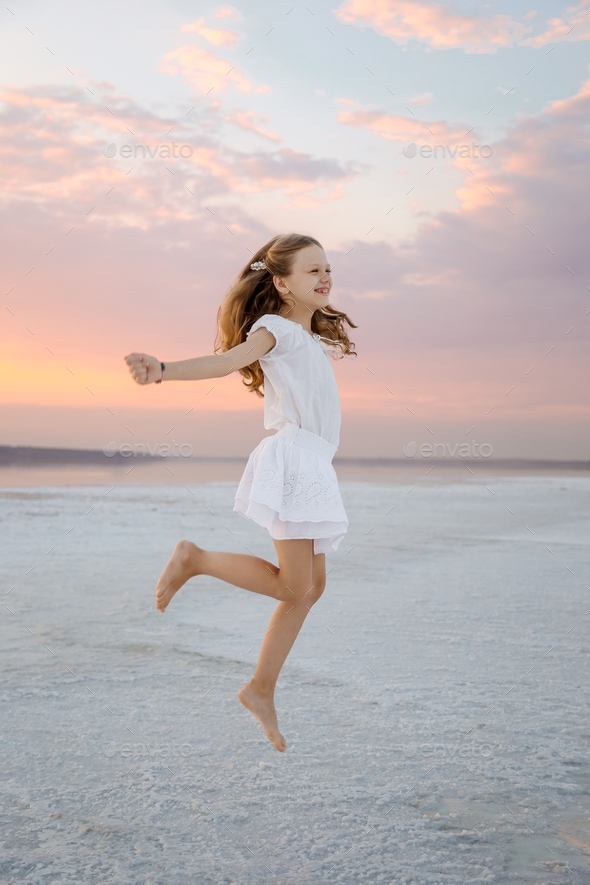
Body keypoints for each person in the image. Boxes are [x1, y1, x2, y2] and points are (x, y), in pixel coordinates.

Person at [124, 233, 357, 751]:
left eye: (328, 270)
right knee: (293, 587)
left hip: (314, 463)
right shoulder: (274, 329)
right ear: (280, 283)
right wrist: (163, 371)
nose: (325, 278)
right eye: (312, 271)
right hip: (295, 460)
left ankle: (260, 688)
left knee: (312, 587)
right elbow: (230, 360)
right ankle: (196, 559)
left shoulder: (309, 337)